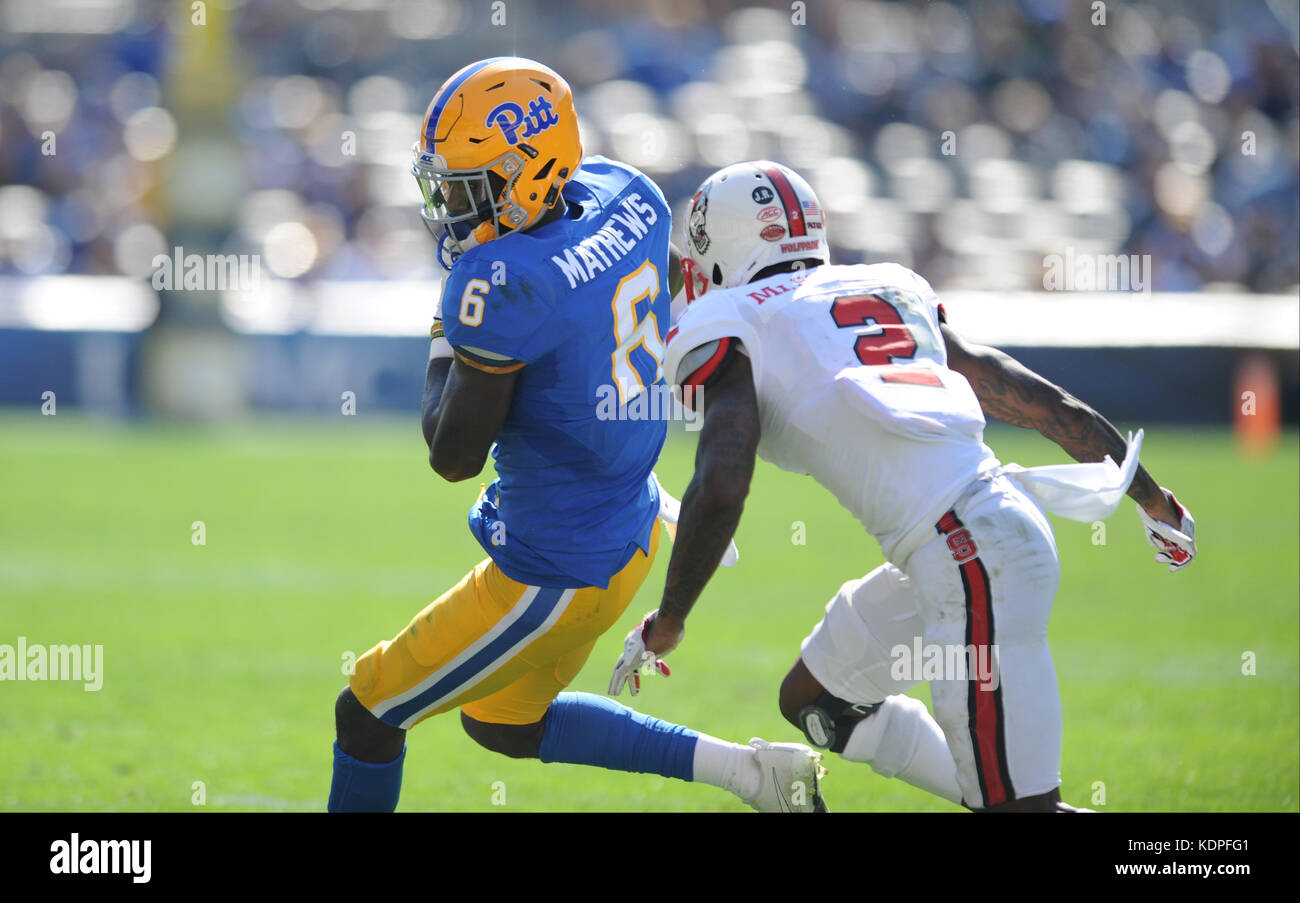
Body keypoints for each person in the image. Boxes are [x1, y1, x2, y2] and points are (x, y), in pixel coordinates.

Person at [611, 160, 1197, 811]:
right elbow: (1032, 398)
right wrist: (1151, 495)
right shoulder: (885, 285)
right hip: (975, 537)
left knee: (1021, 808)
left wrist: (670, 618)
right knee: (817, 700)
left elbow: (723, 476)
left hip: (966, 555)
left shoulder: (731, 314)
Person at [328, 63, 825, 813]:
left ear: (528, 173)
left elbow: (452, 455)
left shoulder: (506, 278)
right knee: (503, 724)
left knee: (366, 712)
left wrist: (444, 328)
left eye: (471, 186)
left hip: (555, 571)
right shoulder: (632, 195)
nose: (453, 207)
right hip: (632, 525)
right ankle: (755, 776)